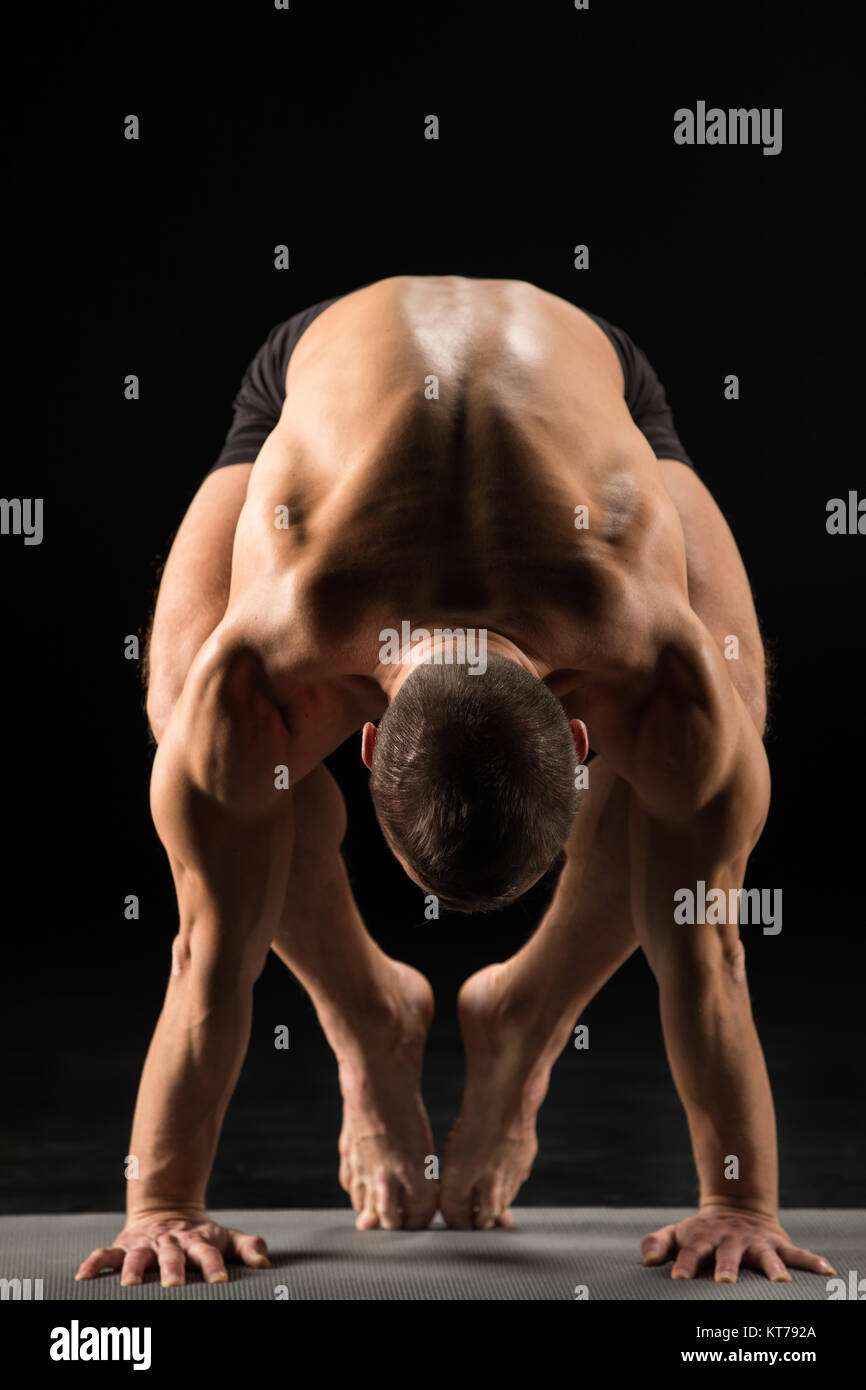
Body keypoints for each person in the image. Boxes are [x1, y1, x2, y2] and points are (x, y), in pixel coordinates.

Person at [77, 276, 833, 1287]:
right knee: (194, 737)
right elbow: (204, 954)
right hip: (318, 382)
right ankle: (363, 1015)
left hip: (588, 389)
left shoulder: (657, 656)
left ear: (573, 733)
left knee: (725, 736)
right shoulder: (264, 655)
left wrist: (737, 1203)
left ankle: (528, 1013)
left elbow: (708, 948)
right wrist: (159, 1206)